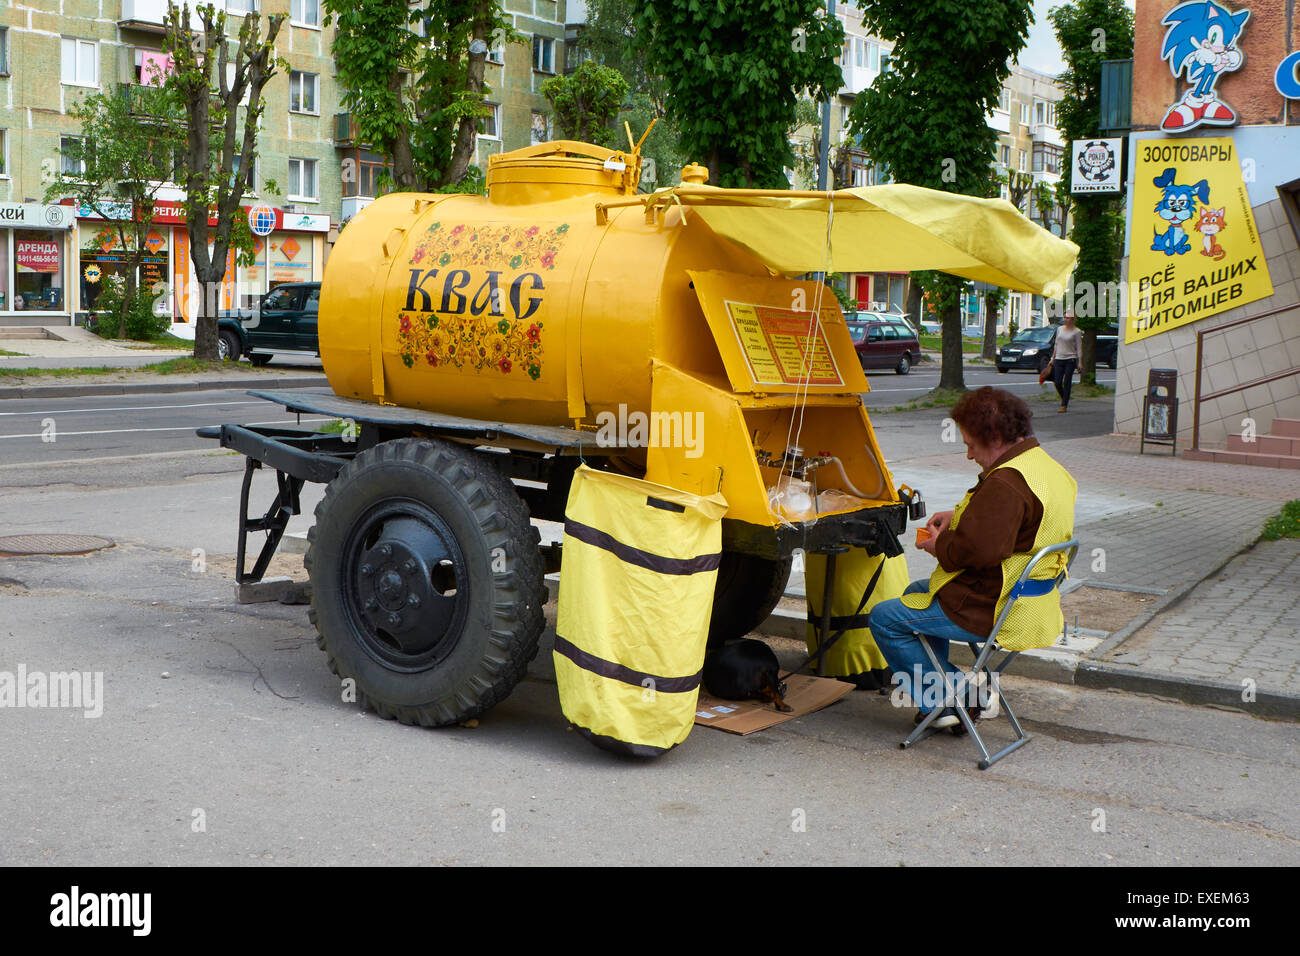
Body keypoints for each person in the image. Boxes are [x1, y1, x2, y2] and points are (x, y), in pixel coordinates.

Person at [868, 387, 1077, 728]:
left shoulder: (1006, 484)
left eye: (970, 445)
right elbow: (1017, 524)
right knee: (915, 592)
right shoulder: (1042, 466)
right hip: (1028, 598)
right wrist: (961, 517)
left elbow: (978, 552)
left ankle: (957, 697)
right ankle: (945, 702)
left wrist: (941, 546)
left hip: (992, 603)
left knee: (884, 618)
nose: (968, 455)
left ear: (994, 437)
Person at [1049, 310, 1082, 413]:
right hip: (1059, 358)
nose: (1066, 320)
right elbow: (1056, 345)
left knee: (1067, 381)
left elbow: (1079, 348)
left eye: (1068, 318)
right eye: (1065, 317)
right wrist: (1052, 359)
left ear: (1072, 319)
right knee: (1057, 382)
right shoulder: (1059, 329)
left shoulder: (1077, 331)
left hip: (1070, 359)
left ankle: (1064, 405)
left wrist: (1080, 362)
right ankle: (1065, 397)